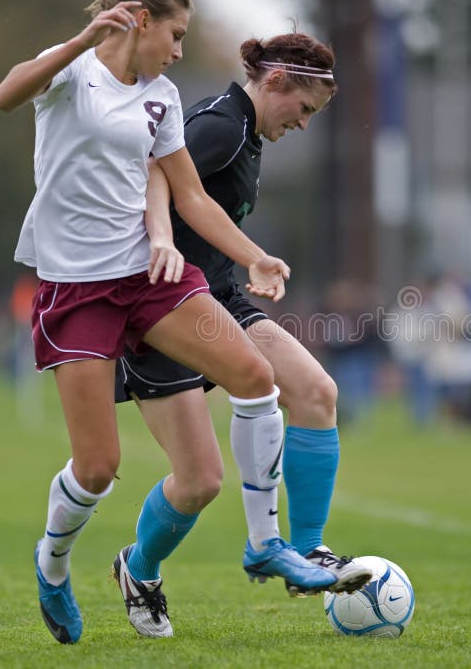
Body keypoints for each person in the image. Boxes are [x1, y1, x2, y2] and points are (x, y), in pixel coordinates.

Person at [0, 0, 335, 644]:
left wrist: (253, 255)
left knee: (257, 377)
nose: (180, 52)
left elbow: (190, 195)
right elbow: (6, 94)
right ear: (141, 21)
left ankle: (267, 544)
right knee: (97, 469)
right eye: (175, 35)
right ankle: (53, 562)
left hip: (151, 279)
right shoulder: (71, 71)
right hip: (75, 288)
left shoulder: (164, 97)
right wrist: (80, 42)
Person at [115, 32, 373, 606]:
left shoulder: (247, 133)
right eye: (303, 110)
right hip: (164, 308)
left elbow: (199, 206)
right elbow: (155, 174)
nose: (304, 124)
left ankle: (307, 549)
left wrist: (245, 258)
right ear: (276, 81)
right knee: (200, 482)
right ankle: (139, 567)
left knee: (315, 391)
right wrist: (184, 245)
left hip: (221, 298)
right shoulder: (222, 126)